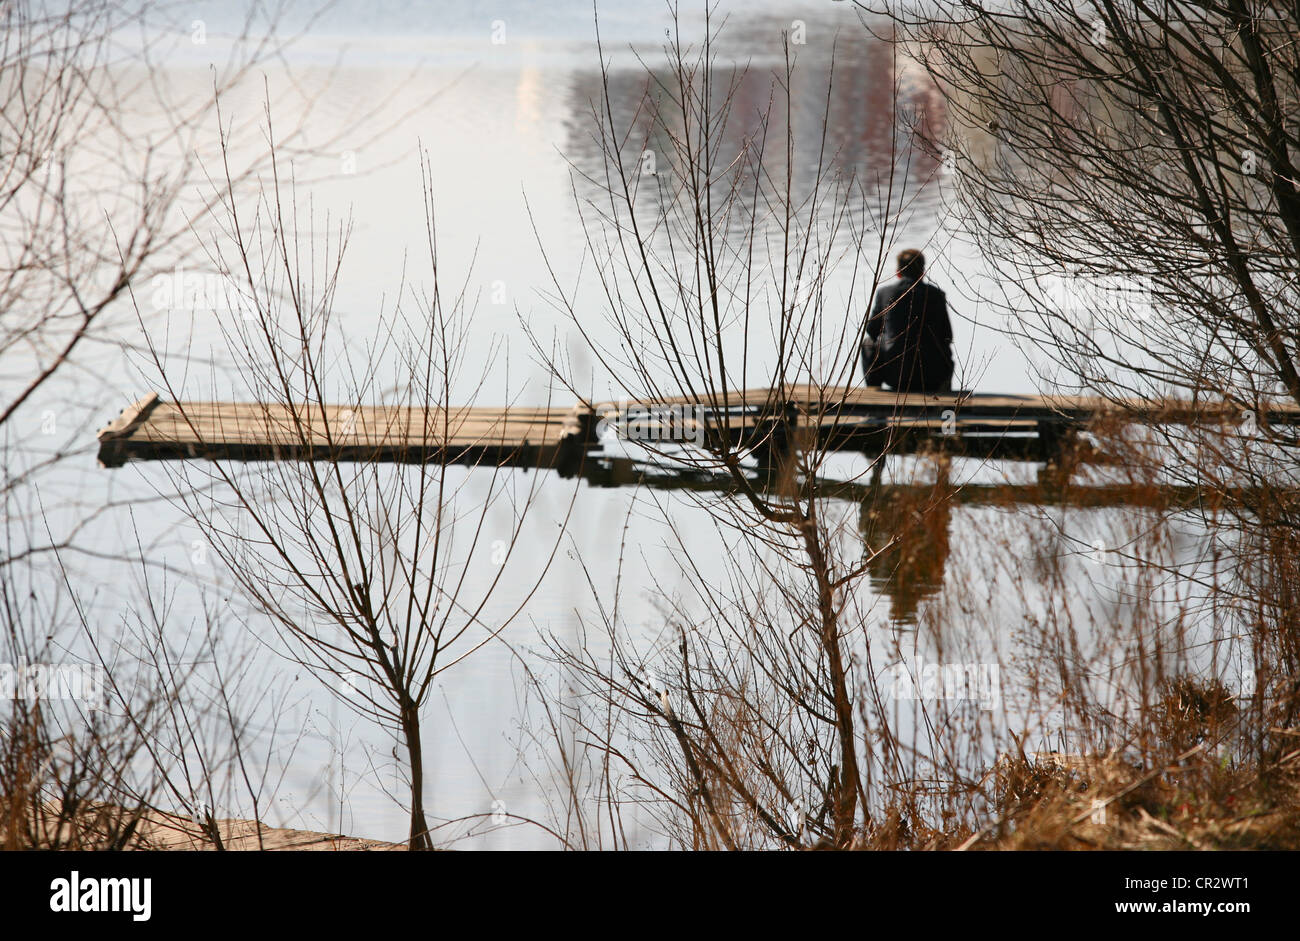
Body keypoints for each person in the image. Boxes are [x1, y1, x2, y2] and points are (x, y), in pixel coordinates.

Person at [861, 249, 954, 393]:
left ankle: (874, 388)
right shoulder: (936, 295)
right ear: (923, 272)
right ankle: (943, 389)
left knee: (868, 342)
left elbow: (871, 330)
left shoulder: (885, 293)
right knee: (943, 344)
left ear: (898, 272)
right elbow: (947, 335)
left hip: (895, 376)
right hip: (932, 377)